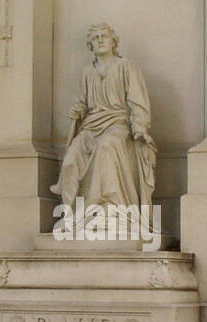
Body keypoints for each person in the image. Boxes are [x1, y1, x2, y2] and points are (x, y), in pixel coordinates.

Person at [51, 24, 156, 216]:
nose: (100, 40)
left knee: (106, 147)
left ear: (113, 41)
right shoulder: (87, 72)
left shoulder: (127, 67)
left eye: (104, 36)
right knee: (71, 158)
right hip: (91, 126)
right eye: (95, 38)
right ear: (90, 45)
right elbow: (82, 102)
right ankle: (73, 213)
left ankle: (109, 206)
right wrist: (78, 109)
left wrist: (139, 127)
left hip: (118, 124)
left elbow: (137, 102)